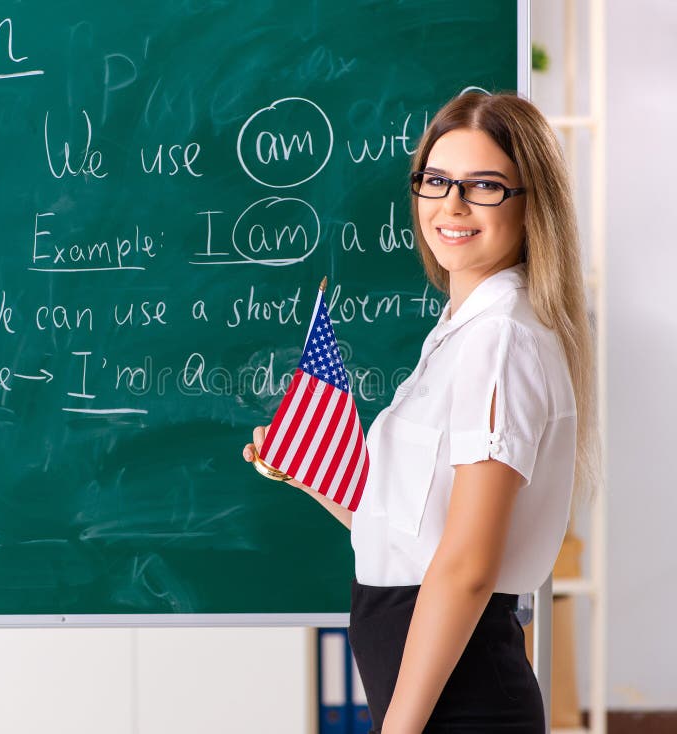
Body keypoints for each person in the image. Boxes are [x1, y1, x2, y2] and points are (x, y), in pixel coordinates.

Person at [242, 91, 602, 733]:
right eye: (436, 180)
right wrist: (307, 472)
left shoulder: (500, 339)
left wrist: (397, 730)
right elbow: (415, 532)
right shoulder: (463, 331)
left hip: (458, 703)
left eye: (484, 186)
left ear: (531, 204)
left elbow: (466, 565)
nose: (452, 206)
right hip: (438, 693)